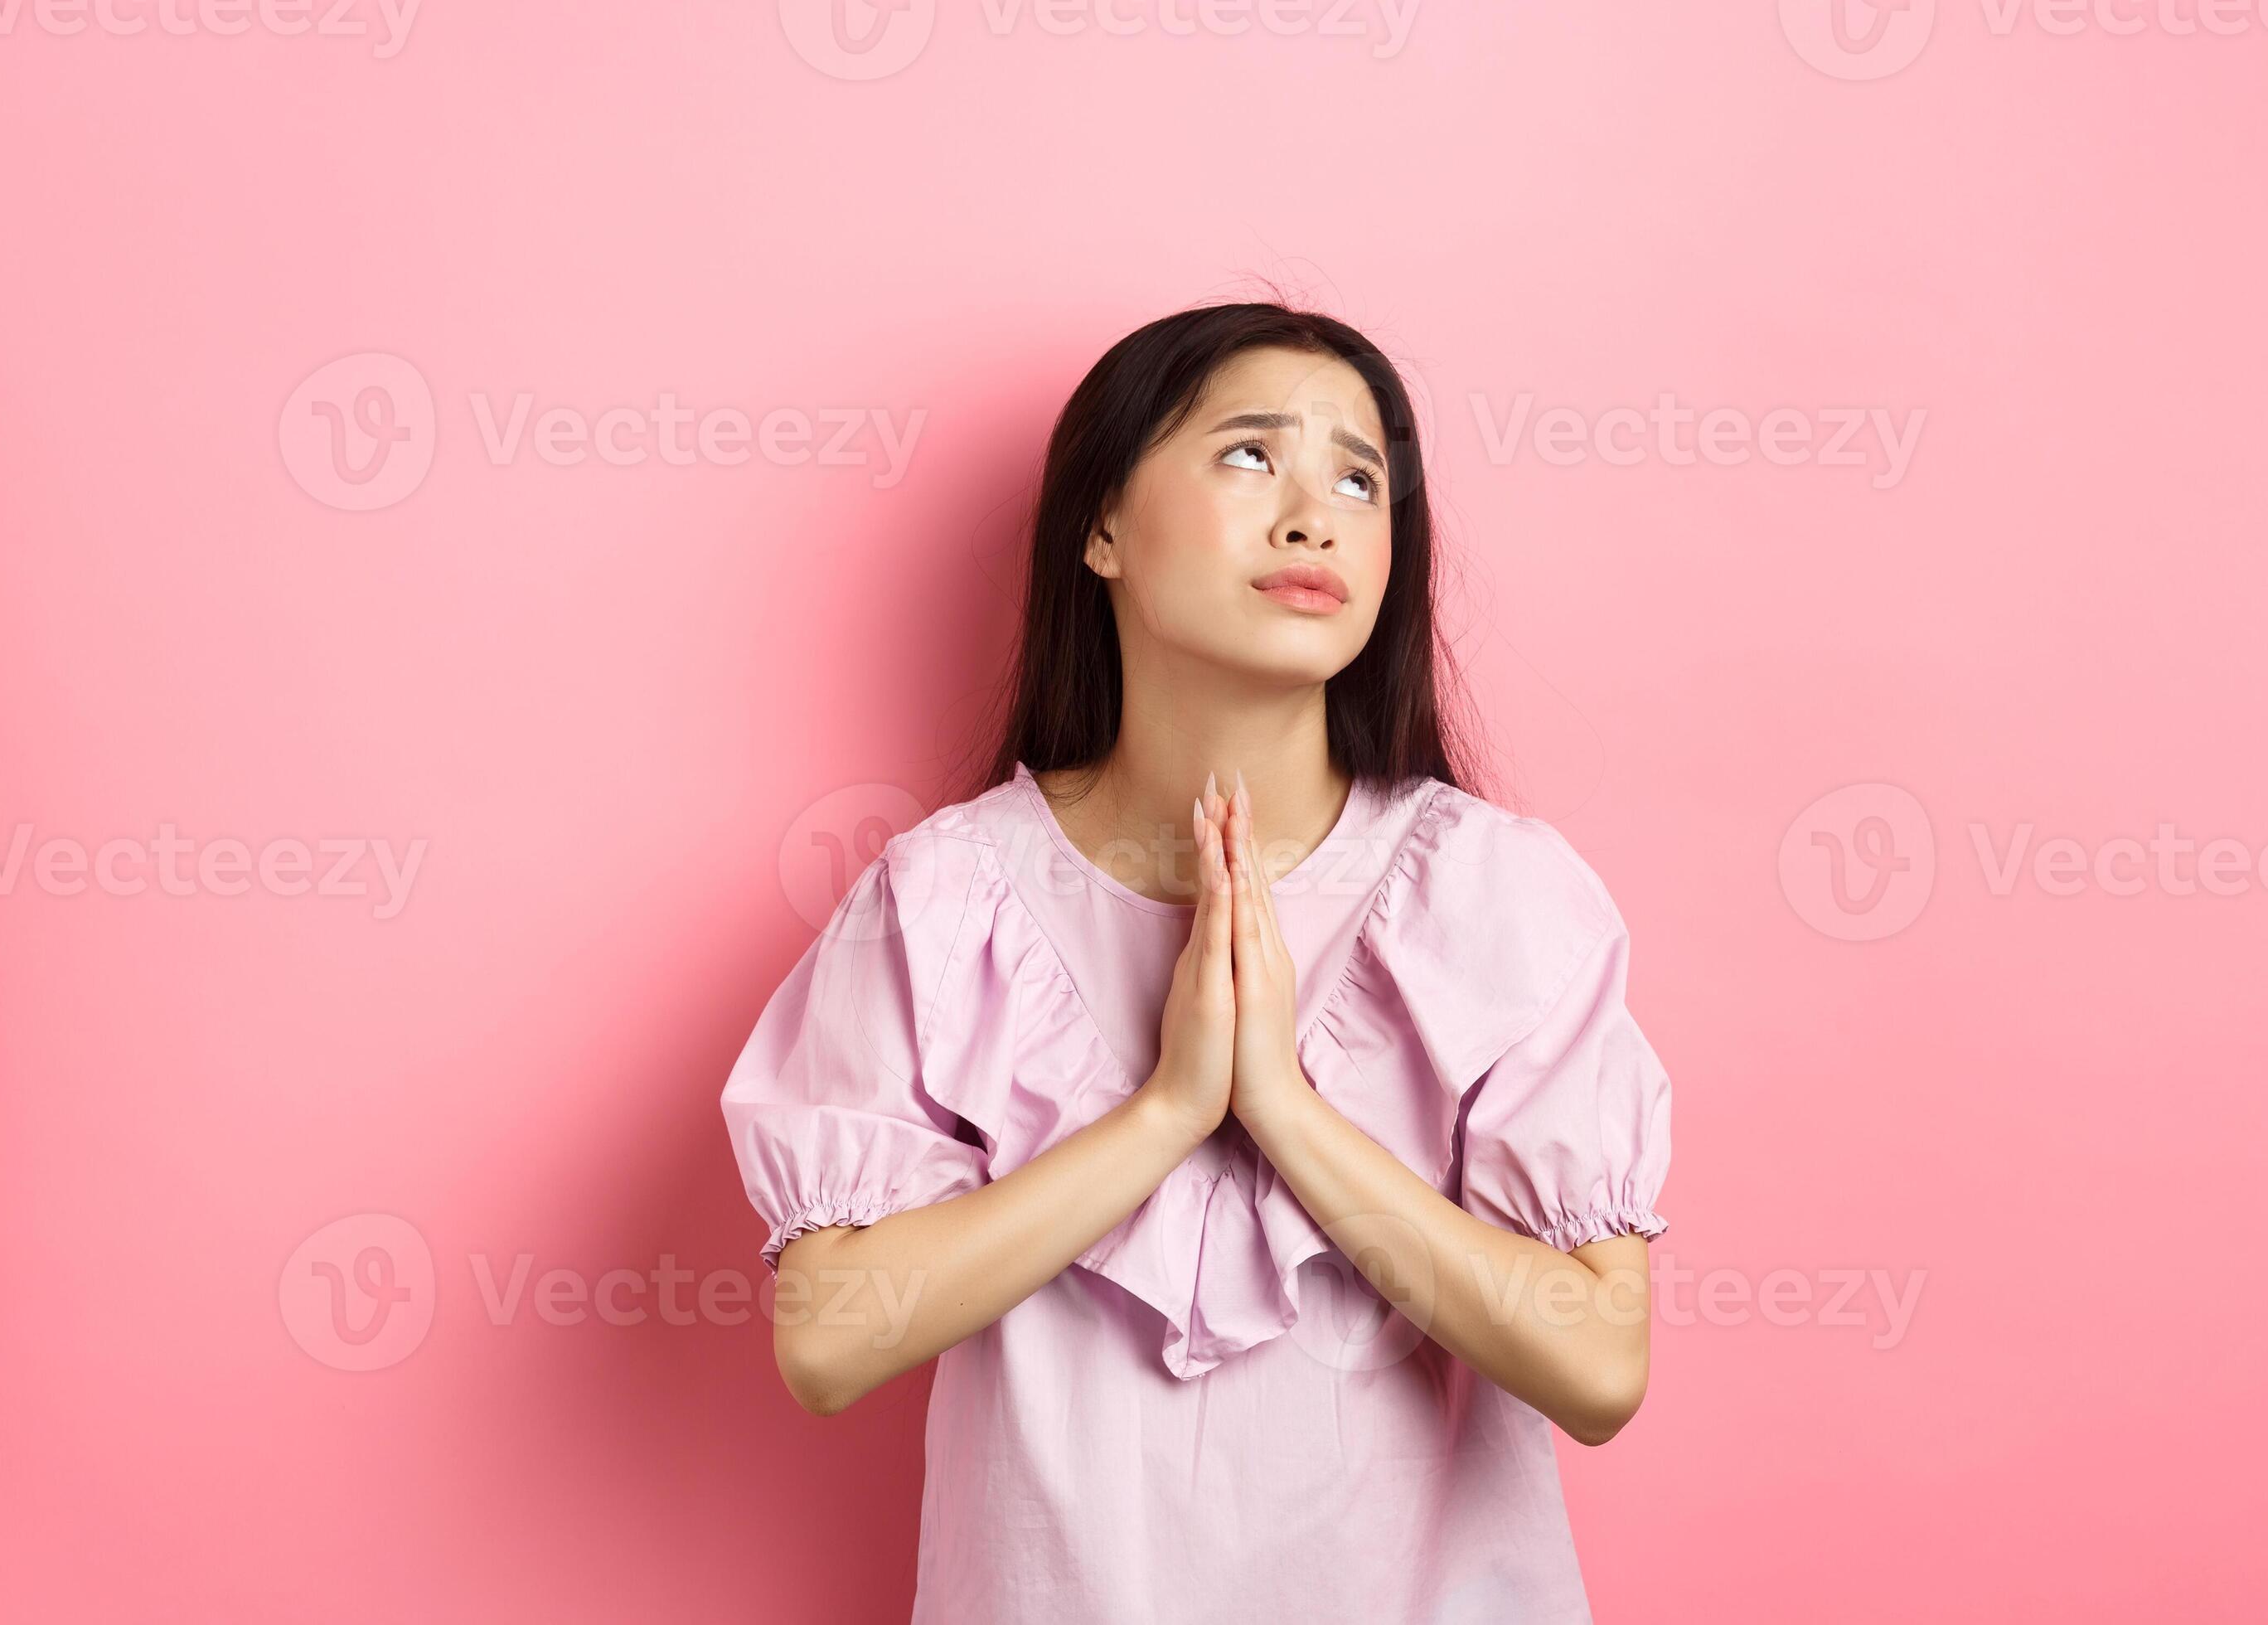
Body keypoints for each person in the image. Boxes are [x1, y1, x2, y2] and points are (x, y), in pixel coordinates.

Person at [719, 303, 1679, 1623]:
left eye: (1360, 477)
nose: (1314, 514)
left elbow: (1598, 1364)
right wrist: (1169, 1110)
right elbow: (828, 1340)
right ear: (1102, 529)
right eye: (1249, 456)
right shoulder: (942, 899)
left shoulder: (1491, 894)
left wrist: (1281, 1107)